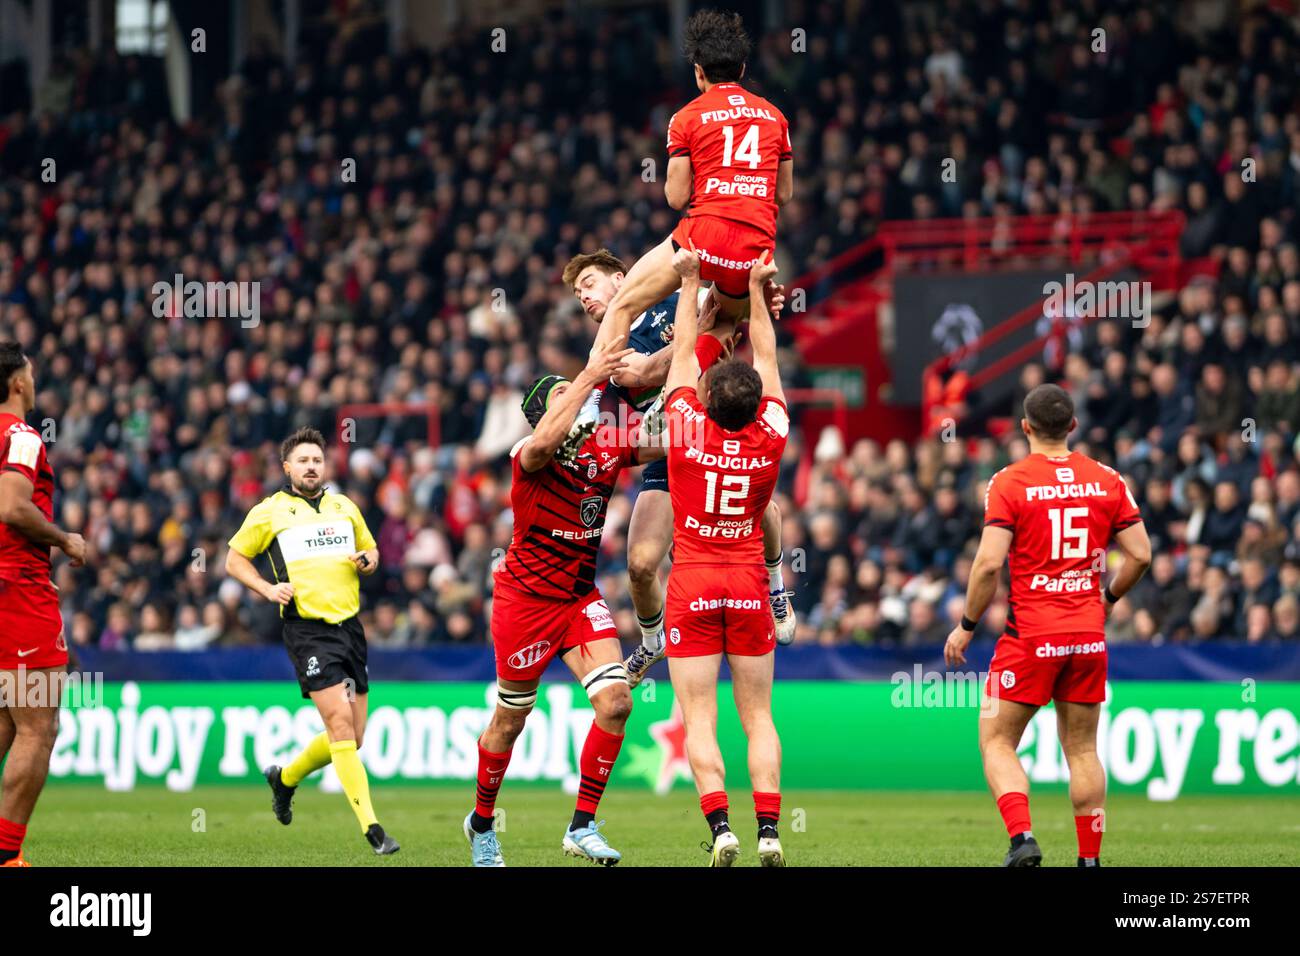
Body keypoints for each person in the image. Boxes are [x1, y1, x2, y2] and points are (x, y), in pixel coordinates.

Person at [464, 335, 661, 867]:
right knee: (510, 721)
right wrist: (590, 375)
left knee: (617, 703)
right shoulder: (529, 458)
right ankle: (482, 824)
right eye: (565, 399)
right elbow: (548, 438)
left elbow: (664, 440)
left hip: (578, 599)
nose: (585, 406)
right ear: (542, 416)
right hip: (524, 604)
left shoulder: (604, 448)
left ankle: (583, 825)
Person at [563, 251, 796, 691]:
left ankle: (777, 588)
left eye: (589, 284)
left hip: (716, 426)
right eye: (578, 295)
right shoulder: (609, 344)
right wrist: (704, 331)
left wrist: (764, 297)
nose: (584, 298)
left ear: (621, 278)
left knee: (756, 507)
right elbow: (647, 371)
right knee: (640, 564)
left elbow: (734, 306)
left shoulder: (678, 297)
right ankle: (653, 641)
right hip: (668, 449)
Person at [944, 384, 1152, 867]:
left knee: (996, 740)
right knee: (1081, 750)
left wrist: (967, 625)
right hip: (1087, 634)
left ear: (1025, 427)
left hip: (1031, 635)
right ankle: (1090, 860)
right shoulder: (1107, 479)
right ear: (1073, 427)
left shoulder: (1009, 482)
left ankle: (1022, 839)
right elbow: (1141, 554)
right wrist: (1109, 598)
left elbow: (988, 566)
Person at [661, 246, 789, 867]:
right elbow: (765, 356)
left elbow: (684, 353)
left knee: (698, 716)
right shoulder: (772, 435)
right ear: (758, 402)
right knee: (758, 717)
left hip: (691, 584)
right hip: (747, 584)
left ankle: (722, 831)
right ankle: (769, 829)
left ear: (708, 399)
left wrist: (689, 282)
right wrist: (761, 293)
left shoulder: (686, 430)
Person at [225, 427, 399, 857]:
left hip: (350, 629)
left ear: (325, 466)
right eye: (302, 461)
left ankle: (284, 779)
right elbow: (233, 559)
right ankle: (373, 829)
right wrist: (267, 590)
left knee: (353, 738)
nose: (310, 467)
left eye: (317, 460)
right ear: (287, 468)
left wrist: (368, 560)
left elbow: (372, 551)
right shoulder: (271, 511)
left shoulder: (344, 506)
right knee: (338, 724)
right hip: (307, 629)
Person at [594, 9, 793, 355]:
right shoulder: (775, 117)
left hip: (702, 239)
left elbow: (675, 197)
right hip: (754, 252)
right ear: (743, 70)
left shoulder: (686, 117)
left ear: (699, 73)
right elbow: (784, 194)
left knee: (623, 306)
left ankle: (592, 400)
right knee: (722, 325)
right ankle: (690, 399)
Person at [0, 342, 87, 867]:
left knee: (6, 724)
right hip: (17, 588)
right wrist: (64, 539)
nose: (34, 381)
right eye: (30, 374)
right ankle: (7, 856)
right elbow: (12, 507)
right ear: (17, 383)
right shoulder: (22, 436)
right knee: (39, 726)